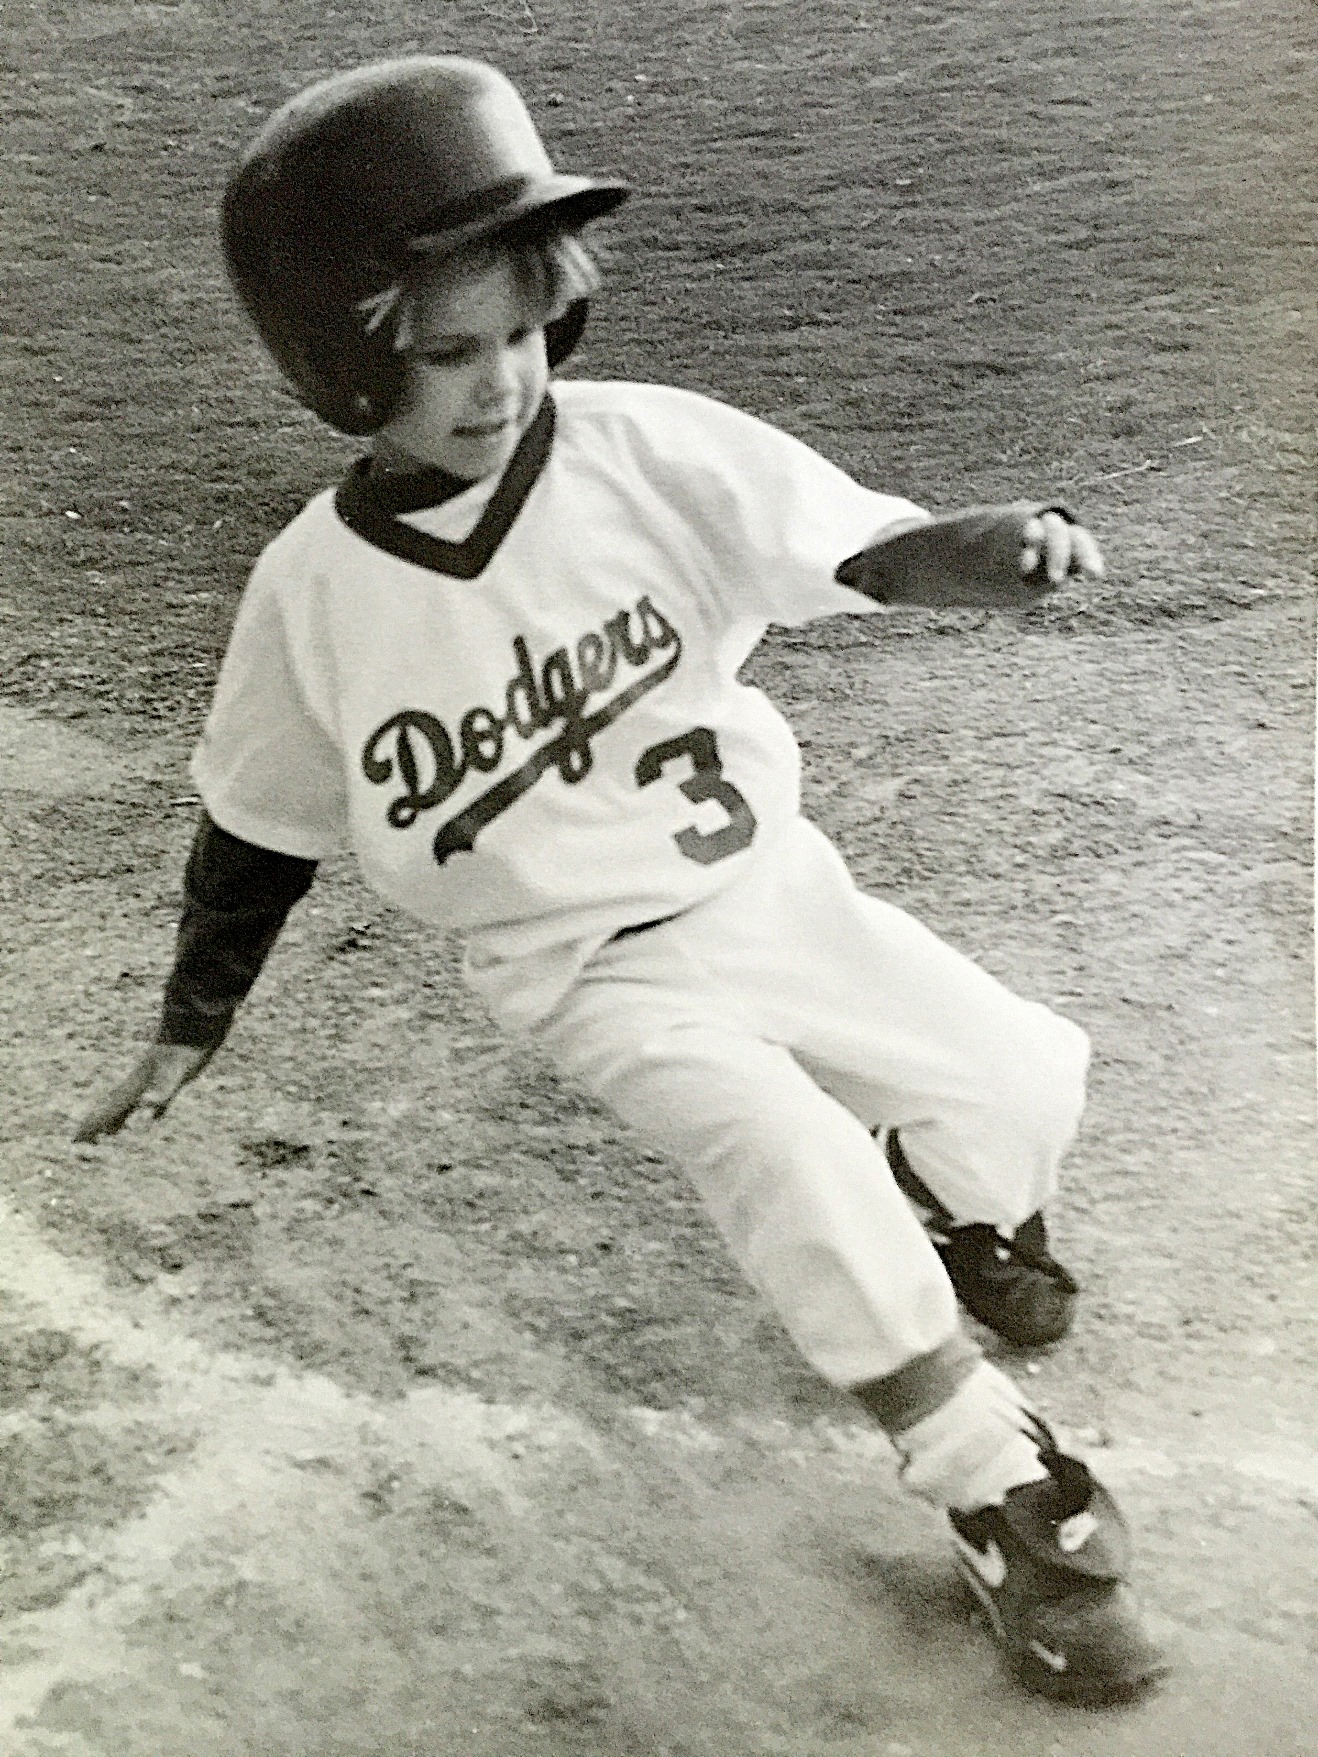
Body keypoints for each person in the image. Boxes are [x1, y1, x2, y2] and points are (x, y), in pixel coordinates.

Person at [75, 56, 1167, 1704]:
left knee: (1020, 1073)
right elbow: (257, 824)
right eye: (444, 351)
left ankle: (953, 1206)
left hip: (768, 896)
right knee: (788, 1154)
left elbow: (854, 550)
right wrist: (191, 1014)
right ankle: (993, 1488)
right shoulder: (313, 594)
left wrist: (994, 548)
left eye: (518, 332)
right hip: (586, 972)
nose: (497, 378)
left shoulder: (648, 451)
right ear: (336, 358)